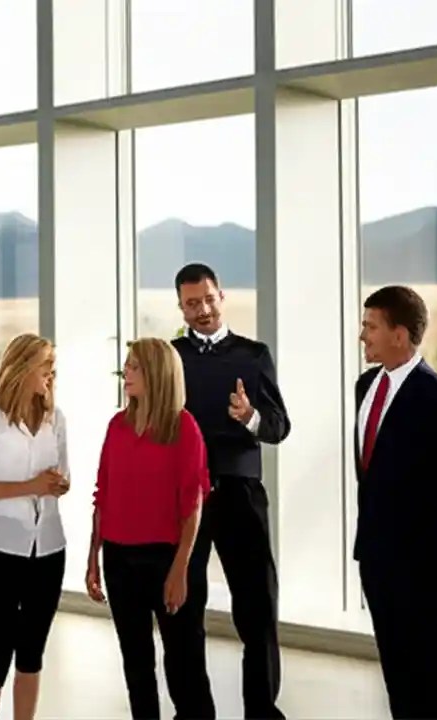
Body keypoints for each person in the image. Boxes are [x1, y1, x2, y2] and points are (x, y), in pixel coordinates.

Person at [354, 285, 437, 719]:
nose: (362, 335)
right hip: (377, 557)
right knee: (396, 669)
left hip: (424, 562)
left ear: (400, 335)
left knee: (427, 672)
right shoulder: (365, 386)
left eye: (371, 326)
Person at [170, 263, 291, 719]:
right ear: (180, 306)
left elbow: (279, 426)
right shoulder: (171, 355)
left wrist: (250, 417)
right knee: (181, 609)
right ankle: (193, 711)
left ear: (223, 296)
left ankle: (262, 710)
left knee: (258, 608)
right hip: (185, 499)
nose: (201, 310)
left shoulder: (254, 354)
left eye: (208, 299)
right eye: (191, 303)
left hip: (241, 493)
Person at [87, 337, 213, 720]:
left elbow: (193, 505)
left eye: (134, 366)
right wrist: (93, 557)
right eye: (126, 365)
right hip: (119, 558)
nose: (126, 372)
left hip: (166, 558)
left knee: (184, 665)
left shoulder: (184, 428)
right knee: (136, 665)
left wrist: (180, 570)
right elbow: (102, 496)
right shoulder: (117, 426)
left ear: (157, 374)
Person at [0, 333, 70, 720]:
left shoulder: (56, 419)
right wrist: (31, 487)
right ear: (22, 368)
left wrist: (59, 484)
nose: (51, 376)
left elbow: (63, 479)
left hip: (50, 551)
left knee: (32, 653)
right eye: (46, 367)